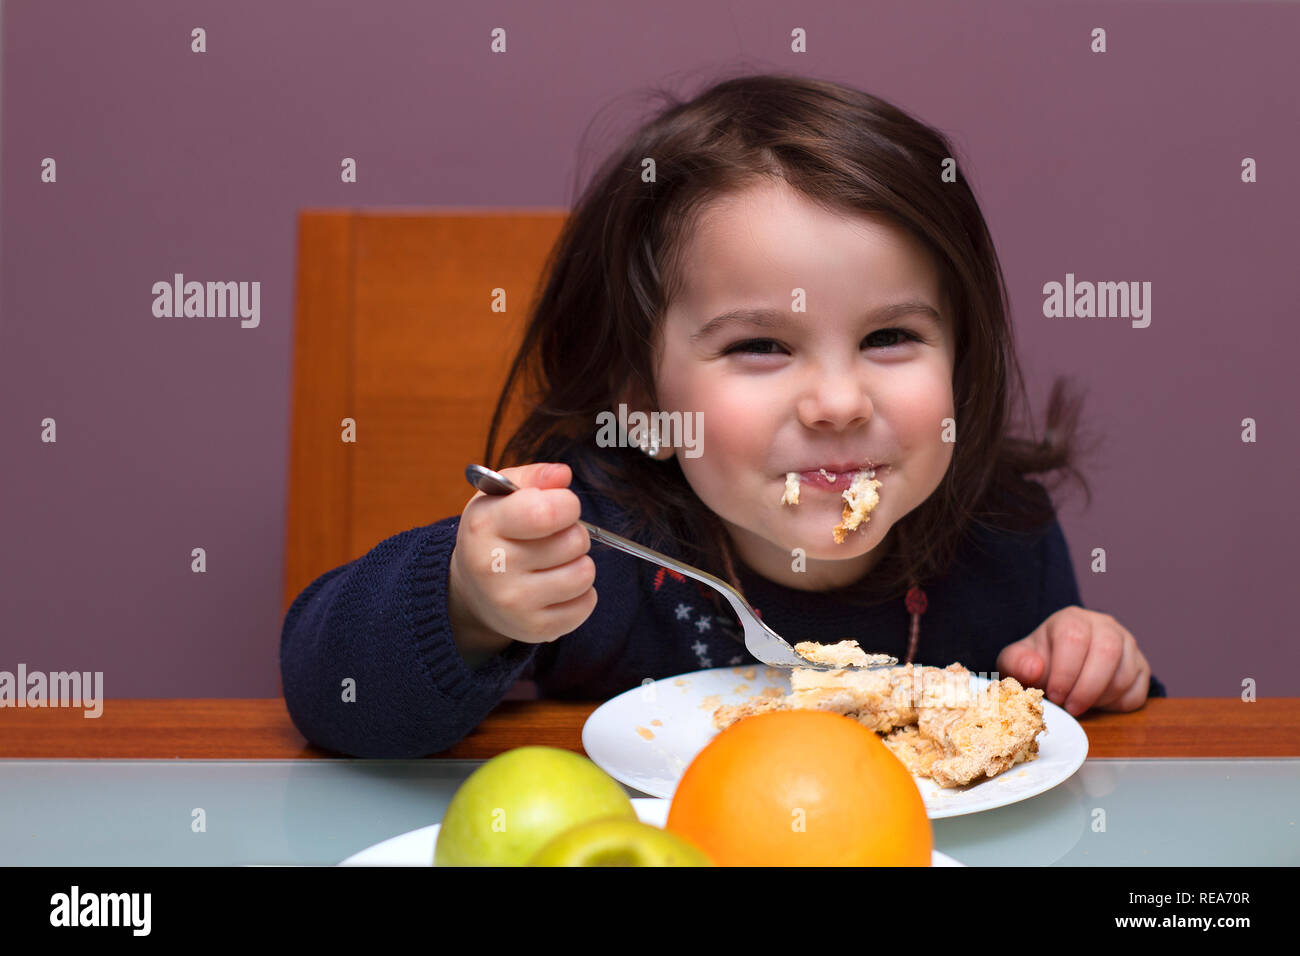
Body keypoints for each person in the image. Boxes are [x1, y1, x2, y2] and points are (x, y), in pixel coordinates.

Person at [280, 72, 1164, 758]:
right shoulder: (599, 546)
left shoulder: (1001, 538)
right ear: (640, 387)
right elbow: (329, 693)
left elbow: (1139, 764)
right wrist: (469, 603)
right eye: (761, 347)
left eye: (890, 336)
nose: (837, 402)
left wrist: (1097, 666)